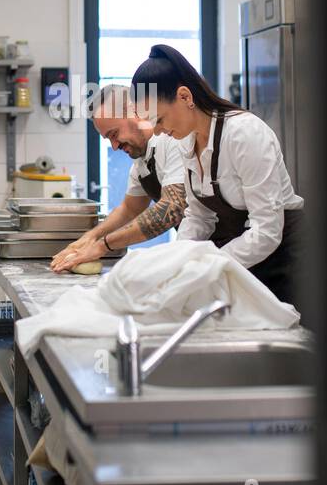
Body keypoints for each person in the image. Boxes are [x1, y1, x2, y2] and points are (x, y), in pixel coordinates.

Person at [130, 44, 304, 306]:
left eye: (159, 119)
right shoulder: (185, 142)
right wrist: (176, 262)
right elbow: (199, 216)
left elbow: (267, 231)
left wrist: (208, 265)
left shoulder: (244, 134)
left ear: (185, 96)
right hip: (248, 262)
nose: (156, 132)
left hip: (290, 261)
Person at [49, 83, 187, 273]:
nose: (114, 146)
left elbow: (172, 207)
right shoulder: (141, 163)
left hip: (229, 250)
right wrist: (90, 237)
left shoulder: (172, 140)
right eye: (109, 139)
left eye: (114, 134)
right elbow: (129, 209)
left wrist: (102, 246)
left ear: (135, 113)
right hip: (198, 251)